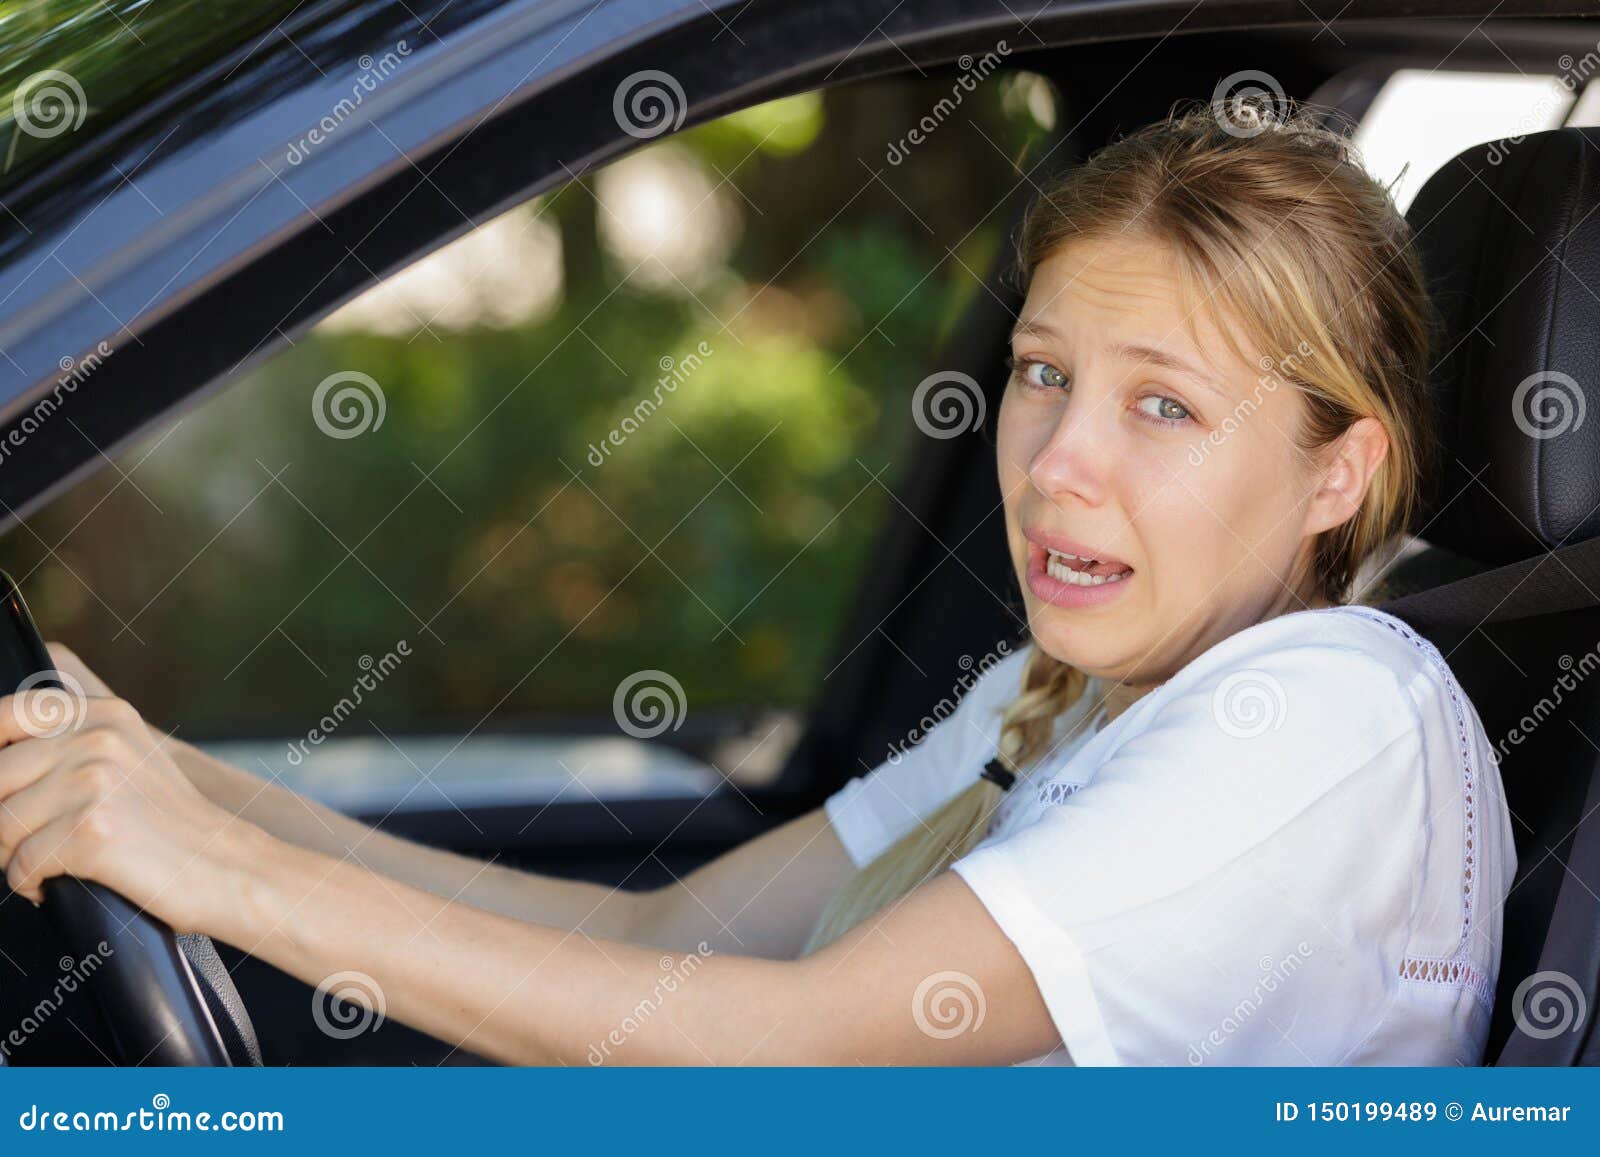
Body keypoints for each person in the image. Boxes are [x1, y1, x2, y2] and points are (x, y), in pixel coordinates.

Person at [0, 98, 1515, 1065]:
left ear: (1340, 472)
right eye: (1044, 373)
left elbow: (787, 1050)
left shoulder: (1324, 722)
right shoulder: (1065, 694)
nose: (1058, 462)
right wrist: (174, 781)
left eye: (1164, 405)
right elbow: (663, 947)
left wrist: (225, 876)